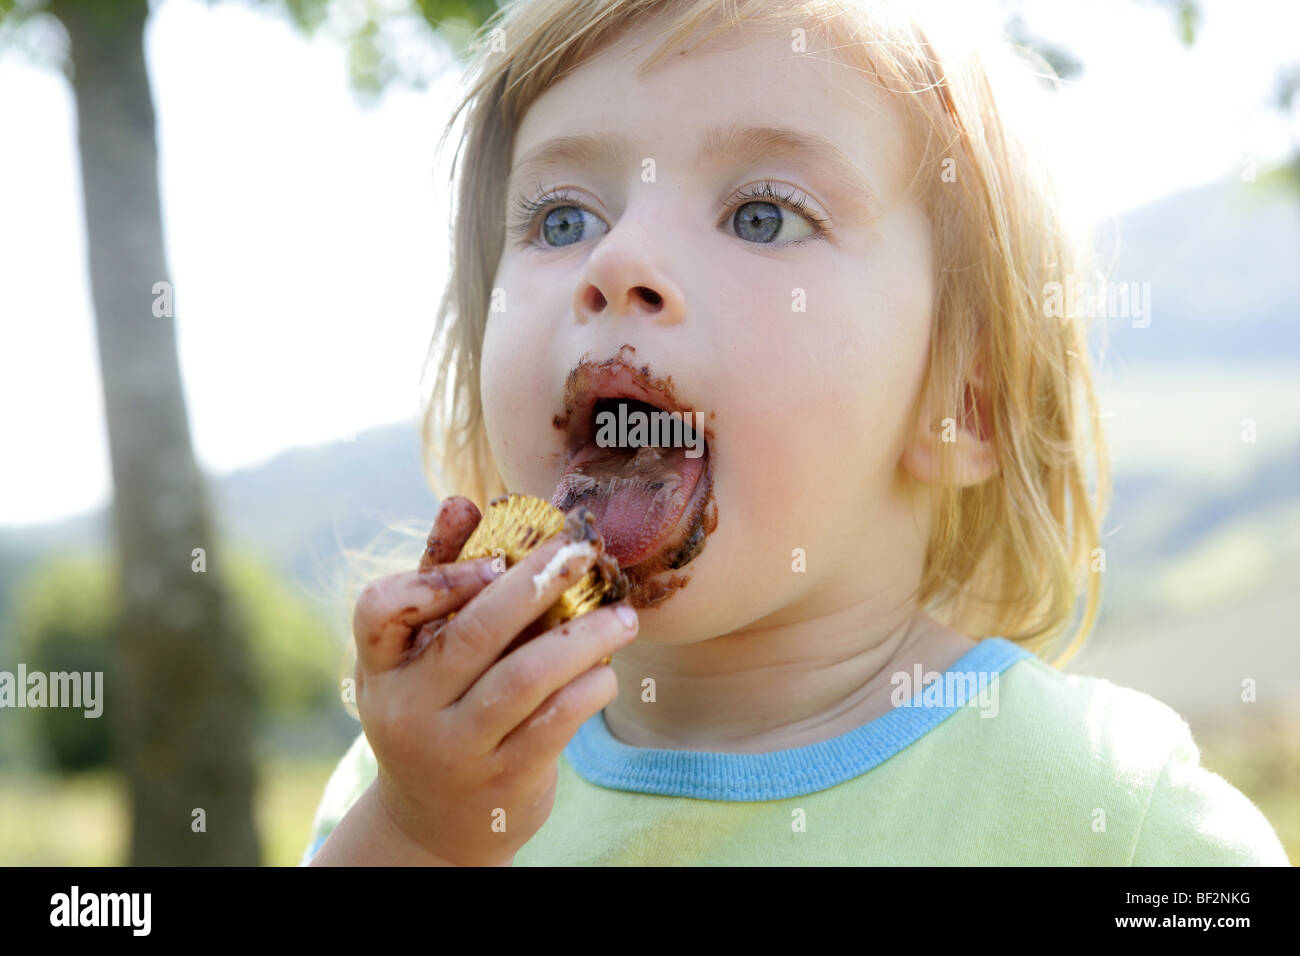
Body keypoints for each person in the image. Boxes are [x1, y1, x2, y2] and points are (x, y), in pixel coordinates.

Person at [302, 0, 1289, 866]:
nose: (620, 256)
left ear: (964, 402)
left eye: (763, 215)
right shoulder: (424, 779)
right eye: (562, 220)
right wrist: (420, 838)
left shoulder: (1113, 813)